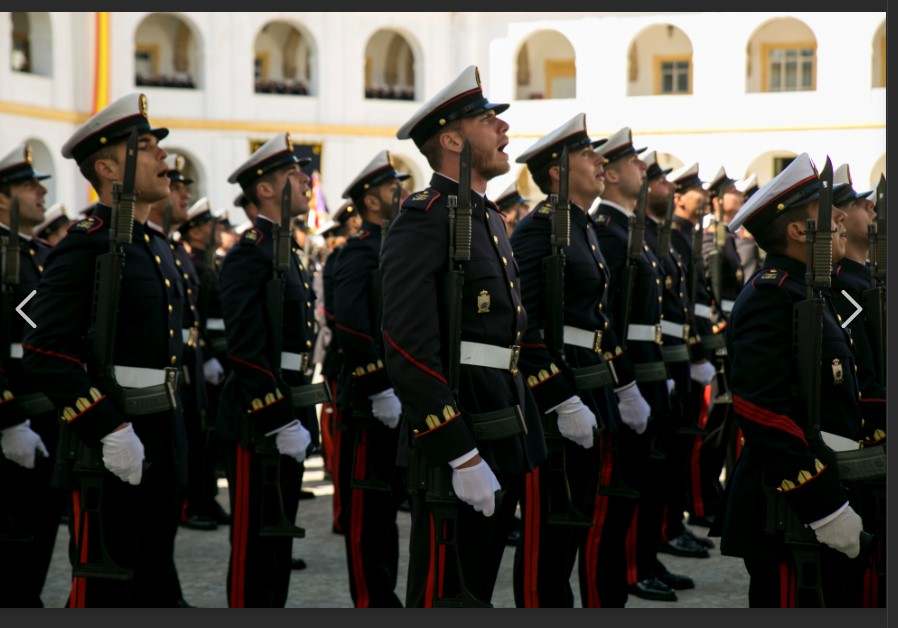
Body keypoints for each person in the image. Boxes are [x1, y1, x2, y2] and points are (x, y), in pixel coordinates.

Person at [382, 64, 546, 607]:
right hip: (462, 433)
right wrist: (459, 453)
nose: (503, 128)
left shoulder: (488, 219)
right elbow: (407, 347)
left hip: (501, 422)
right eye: (487, 119)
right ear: (452, 140)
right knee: (444, 595)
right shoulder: (424, 218)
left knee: (477, 590)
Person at [23, 92, 185, 607]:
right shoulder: (87, 242)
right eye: (147, 147)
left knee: (153, 582)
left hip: (160, 433)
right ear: (109, 168)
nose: (163, 155)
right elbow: (46, 349)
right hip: (112, 442)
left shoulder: (153, 245)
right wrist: (107, 428)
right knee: (106, 591)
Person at [720, 153, 875, 607]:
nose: (840, 217)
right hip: (790, 510)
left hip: (827, 485)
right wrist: (823, 508)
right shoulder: (771, 297)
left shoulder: (807, 290)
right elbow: (762, 411)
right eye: (824, 211)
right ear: (797, 230)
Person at [509, 113, 625, 607]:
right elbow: (524, 324)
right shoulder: (539, 231)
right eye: (586, 154)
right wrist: (559, 397)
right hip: (553, 398)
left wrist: (618, 385)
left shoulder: (580, 227)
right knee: (548, 537)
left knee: (574, 523)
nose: (600, 161)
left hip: (587, 382)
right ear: (557, 171)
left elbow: (594, 316)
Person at [218, 132, 320, 607]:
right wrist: (277, 417)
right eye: (293, 175)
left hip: (289, 406)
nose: (305, 181)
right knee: (254, 549)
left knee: (278, 546)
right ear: (264, 189)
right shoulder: (249, 253)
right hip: (258, 419)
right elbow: (244, 348)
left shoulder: (286, 250)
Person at [591, 127, 675, 602]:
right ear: (611, 174)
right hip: (630, 373)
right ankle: (628, 569)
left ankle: (643, 560)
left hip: (649, 368)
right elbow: (607, 318)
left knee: (648, 476)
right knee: (624, 485)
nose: (643, 169)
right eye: (634, 163)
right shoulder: (608, 231)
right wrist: (624, 384)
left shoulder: (629, 230)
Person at [333, 150, 410, 606]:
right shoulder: (359, 252)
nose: (399, 191)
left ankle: (386, 596)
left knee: (386, 510)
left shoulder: (394, 246)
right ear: (370, 200)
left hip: (396, 400)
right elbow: (350, 325)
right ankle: (370, 601)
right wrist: (379, 385)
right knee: (367, 513)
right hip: (369, 404)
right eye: (390, 187)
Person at [641, 153, 713, 564]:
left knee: (675, 453)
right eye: (662, 182)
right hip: (660, 359)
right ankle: (650, 546)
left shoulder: (668, 236)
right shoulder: (649, 236)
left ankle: (667, 529)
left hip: (676, 354)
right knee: (658, 460)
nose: (670, 189)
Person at [0, 142, 59, 607]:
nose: (41, 193)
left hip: (47, 413)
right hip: (12, 415)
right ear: (2, 198)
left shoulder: (40, 253)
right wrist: (8, 420)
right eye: (28, 186)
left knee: (41, 525)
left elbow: (37, 325)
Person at [829, 164, 886, 606]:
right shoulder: (843, 287)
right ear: (841, 218)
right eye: (859, 204)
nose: (872, 209)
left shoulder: (865, 279)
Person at [666, 163, 721, 539]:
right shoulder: (673, 235)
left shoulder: (687, 235)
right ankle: (676, 521)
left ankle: (676, 521)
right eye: (695, 189)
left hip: (691, 348)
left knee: (689, 440)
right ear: (678, 198)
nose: (703, 195)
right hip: (677, 352)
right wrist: (697, 350)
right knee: (679, 444)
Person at [179, 197, 232, 530]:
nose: (217, 229)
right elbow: (193, 319)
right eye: (211, 224)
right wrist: (208, 356)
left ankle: (207, 497)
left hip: (216, 358)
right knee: (197, 433)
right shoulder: (193, 265)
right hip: (202, 358)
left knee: (208, 436)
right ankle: (193, 503)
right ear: (196, 231)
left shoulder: (208, 264)